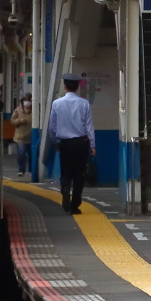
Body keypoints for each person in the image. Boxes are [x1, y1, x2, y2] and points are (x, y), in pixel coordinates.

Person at [48, 77, 95, 214]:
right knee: (79, 174)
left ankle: (65, 190)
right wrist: (92, 144)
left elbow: (52, 126)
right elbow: (89, 126)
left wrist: (55, 141)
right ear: (78, 87)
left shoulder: (57, 104)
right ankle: (75, 204)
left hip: (65, 144)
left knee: (66, 171)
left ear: (64, 87)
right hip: (81, 143)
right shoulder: (84, 103)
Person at [9, 94, 33, 177]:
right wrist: (19, 120)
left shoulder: (35, 110)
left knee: (31, 155)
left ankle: (31, 170)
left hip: (31, 137)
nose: (27, 103)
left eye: (29, 101)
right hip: (20, 137)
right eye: (26, 101)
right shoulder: (18, 110)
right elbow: (12, 120)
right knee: (21, 153)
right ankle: (21, 170)